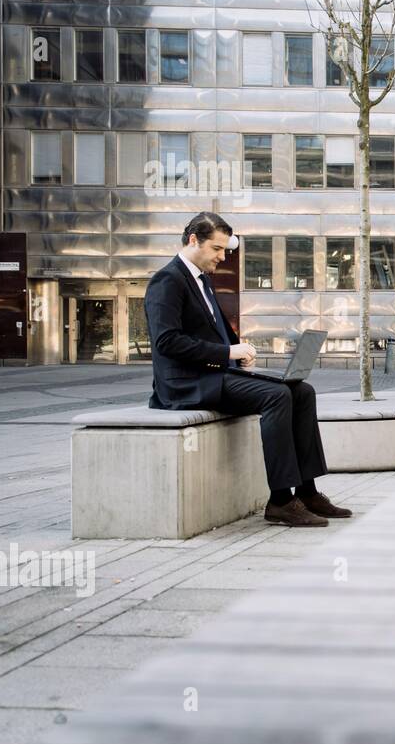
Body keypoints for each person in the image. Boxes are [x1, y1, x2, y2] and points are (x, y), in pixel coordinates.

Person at [144, 212, 351, 527]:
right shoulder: (167, 280)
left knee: (302, 391)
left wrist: (239, 355)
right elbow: (167, 342)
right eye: (217, 248)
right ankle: (281, 500)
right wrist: (226, 352)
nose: (222, 256)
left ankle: (307, 491)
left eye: (224, 249)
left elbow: (213, 332)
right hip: (184, 384)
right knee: (278, 396)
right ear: (192, 241)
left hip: (214, 375)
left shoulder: (201, 279)